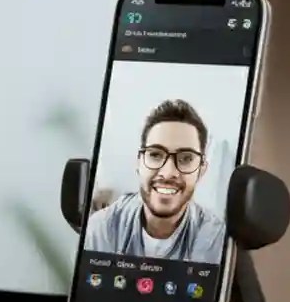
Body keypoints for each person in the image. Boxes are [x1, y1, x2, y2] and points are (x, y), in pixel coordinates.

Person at [82, 99, 227, 264]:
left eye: (186, 158)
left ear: (201, 170)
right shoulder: (102, 228)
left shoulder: (216, 239)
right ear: (139, 162)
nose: (168, 173)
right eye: (155, 155)